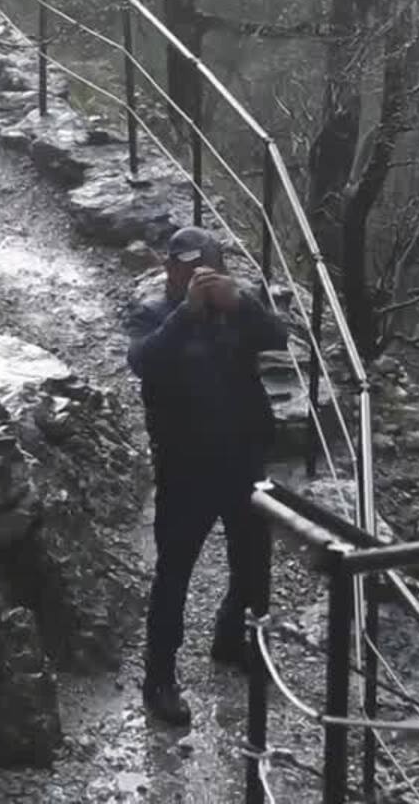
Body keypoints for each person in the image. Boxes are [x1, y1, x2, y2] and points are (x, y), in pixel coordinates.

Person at [124, 226, 289, 727]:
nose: (190, 277)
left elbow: (278, 338)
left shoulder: (237, 309)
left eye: (202, 268)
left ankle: (231, 638)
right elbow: (141, 361)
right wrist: (185, 313)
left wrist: (240, 303)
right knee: (175, 572)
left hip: (241, 456)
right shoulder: (155, 313)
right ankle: (160, 679)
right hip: (184, 465)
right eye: (179, 268)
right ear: (167, 269)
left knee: (254, 560)